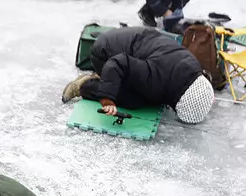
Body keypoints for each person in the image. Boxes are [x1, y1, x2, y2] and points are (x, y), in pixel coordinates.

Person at [62, 27, 214, 125]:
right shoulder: (156, 76)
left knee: (153, 97)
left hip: (131, 43)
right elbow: (117, 63)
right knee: (134, 100)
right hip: (105, 52)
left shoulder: (191, 67)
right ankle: (86, 85)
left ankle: (104, 79)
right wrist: (107, 98)